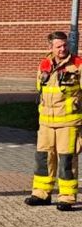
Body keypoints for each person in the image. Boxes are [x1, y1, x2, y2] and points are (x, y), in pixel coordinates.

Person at [27, 31, 82, 210]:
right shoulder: (44, 64)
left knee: (67, 160)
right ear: (50, 47)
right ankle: (41, 193)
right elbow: (40, 91)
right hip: (46, 123)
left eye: (65, 45)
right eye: (58, 46)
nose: (63, 49)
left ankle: (67, 196)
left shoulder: (78, 65)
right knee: (43, 159)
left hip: (69, 122)